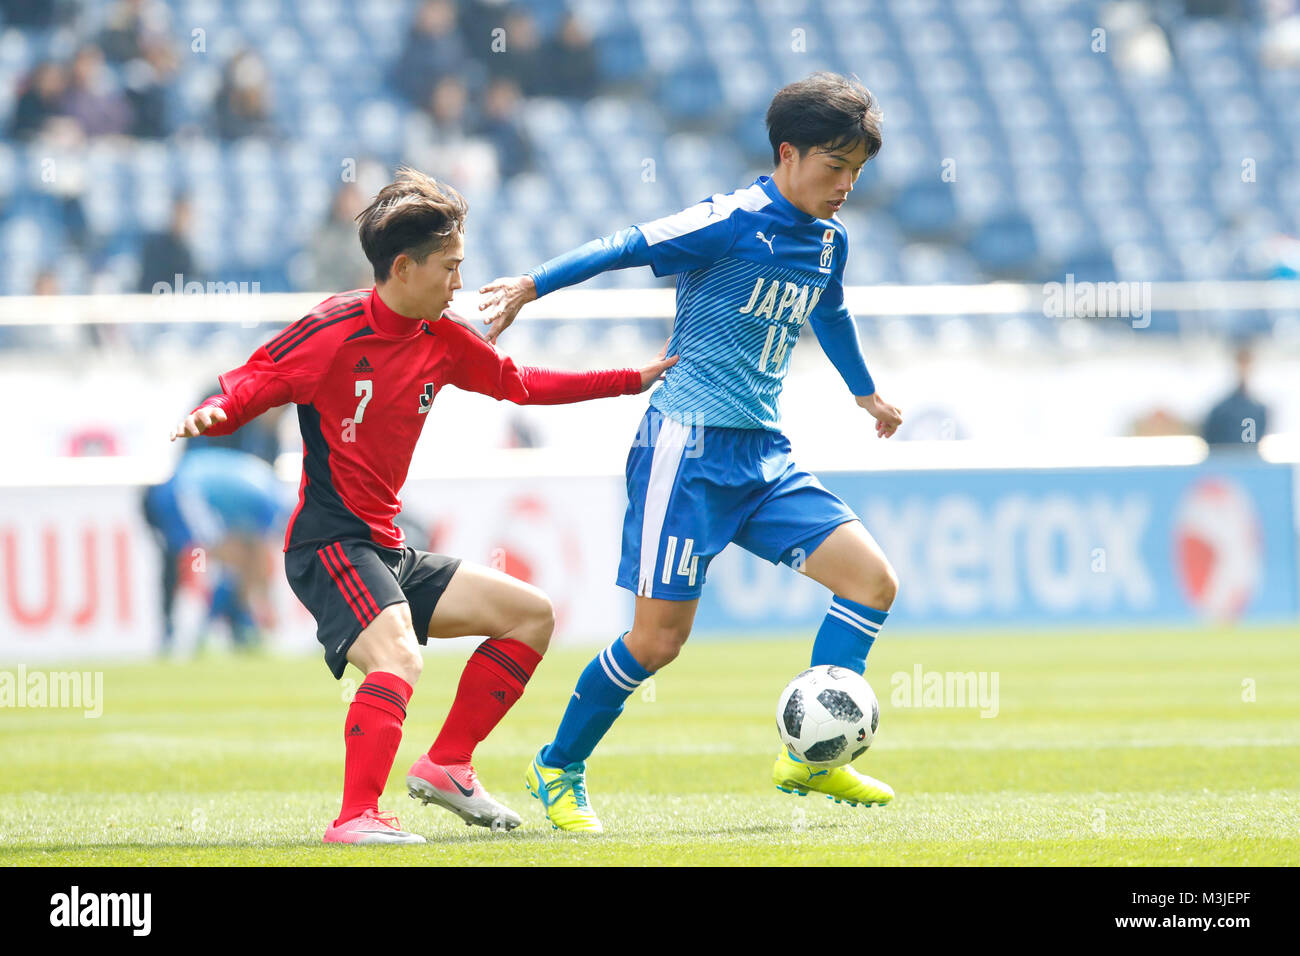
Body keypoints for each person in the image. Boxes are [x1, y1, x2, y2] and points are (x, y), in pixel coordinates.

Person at [168, 167, 676, 844]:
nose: (459, 284)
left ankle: (447, 765)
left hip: (382, 546)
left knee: (530, 616)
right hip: (329, 544)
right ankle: (355, 818)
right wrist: (215, 412)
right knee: (400, 657)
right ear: (403, 268)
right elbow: (258, 378)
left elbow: (518, 383)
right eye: (450, 267)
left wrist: (626, 380)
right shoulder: (333, 328)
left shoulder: (443, 336)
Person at [478, 72, 903, 833]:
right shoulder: (732, 219)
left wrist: (865, 393)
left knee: (872, 582)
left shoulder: (830, 240)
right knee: (657, 642)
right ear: (789, 153)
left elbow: (829, 310)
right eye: (835, 167)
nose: (846, 185)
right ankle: (558, 765)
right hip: (687, 450)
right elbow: (627, 243)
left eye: (857, 172)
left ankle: (810, 758)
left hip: (764, 455)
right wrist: (532, 286)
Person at [1201, 343, 1269, 452]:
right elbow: (1211, 442)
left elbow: (1256, 442)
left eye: (1247, 363)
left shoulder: (1259, 411)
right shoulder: (1220, 410)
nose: (1244, 369)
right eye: (1241, 363)